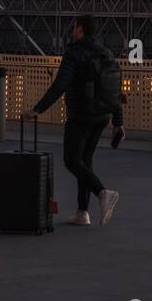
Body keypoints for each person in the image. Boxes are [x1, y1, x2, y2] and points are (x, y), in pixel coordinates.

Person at [25, 14, 122, 226]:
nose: (73, 31)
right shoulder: (106, 53)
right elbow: (116, 89)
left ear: (80, 29)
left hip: (81, 115)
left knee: (71, 160)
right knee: (85, 161)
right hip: (102, 116)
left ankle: (102, 192)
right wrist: (118, 121)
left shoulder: (75, 53)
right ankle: (82, 212)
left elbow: (60, 85)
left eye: (74, 27)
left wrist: (37, 109)